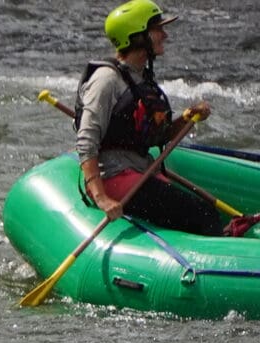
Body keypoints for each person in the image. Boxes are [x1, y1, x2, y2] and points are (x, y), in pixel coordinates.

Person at [75, 3, 250, 237]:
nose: (164, 35)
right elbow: (86, 140)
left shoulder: (140, 77)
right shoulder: (106, 80)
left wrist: (188, 118)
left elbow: (160, 135)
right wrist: (101, 198)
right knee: (203, 215)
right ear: (137, 36)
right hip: (114, 177)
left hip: (138, 169)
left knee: (201, 211)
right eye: (157, 29)